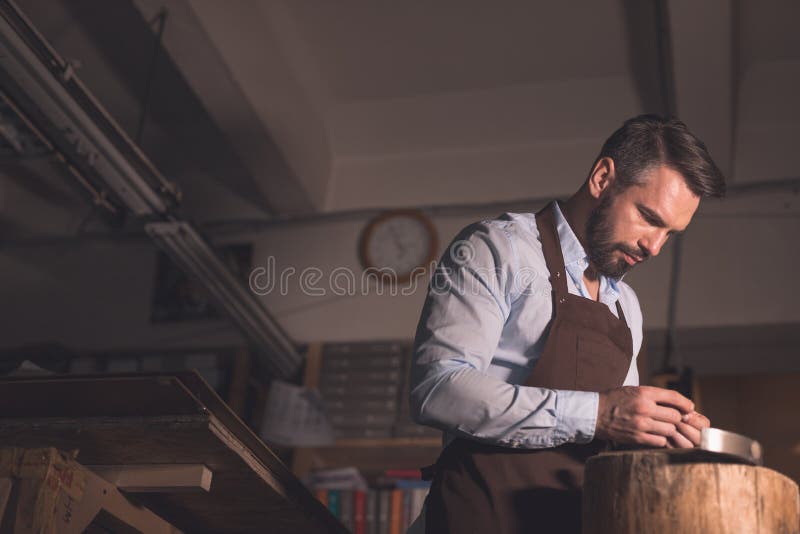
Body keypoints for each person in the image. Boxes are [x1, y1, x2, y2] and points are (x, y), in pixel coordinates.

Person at [407, 115, 725, 534]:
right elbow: (437, 390)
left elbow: (613, 443)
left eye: (670, 233)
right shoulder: (498, 249)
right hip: (477, 517)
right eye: (649, 217)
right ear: (602, 178)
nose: (654, 247)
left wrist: (659, 434)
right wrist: (598, 414)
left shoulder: (626, 306)